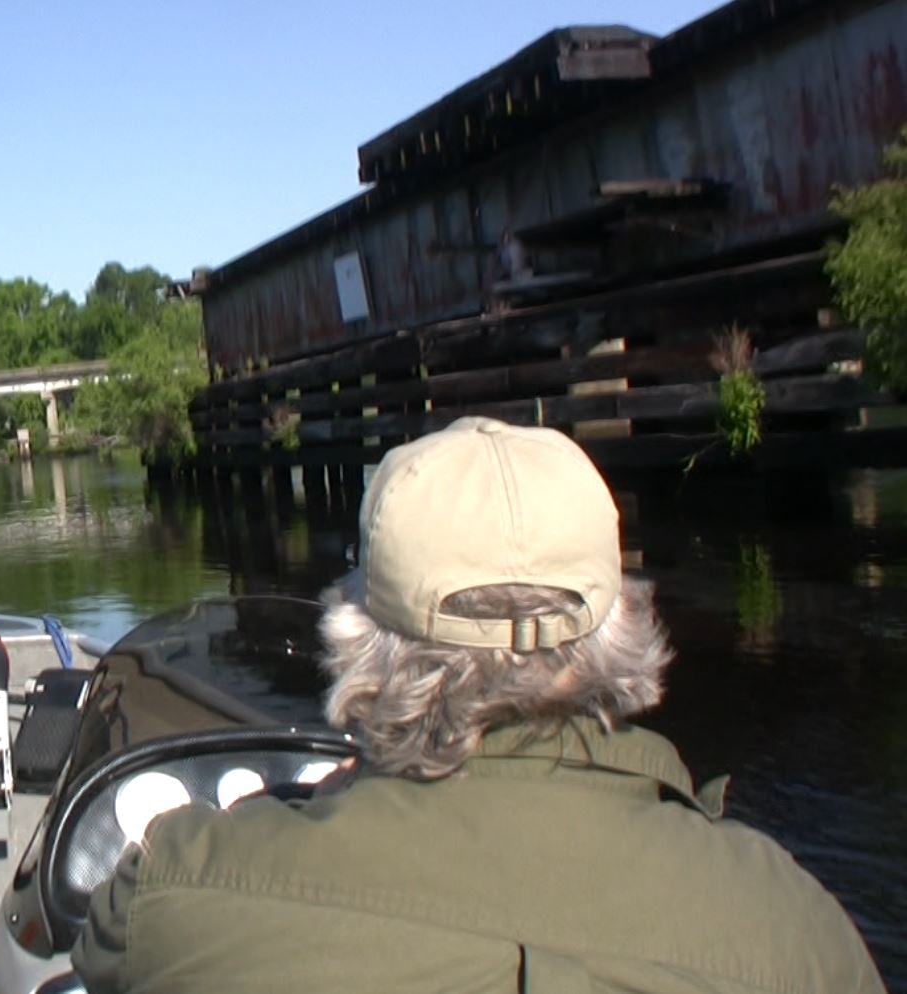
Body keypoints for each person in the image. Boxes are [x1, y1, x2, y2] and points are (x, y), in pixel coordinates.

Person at [72, 417, 885, 993]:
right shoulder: (800, 932)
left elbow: (102, 942)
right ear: (624, 621)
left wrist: (317, 808)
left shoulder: (184, 892)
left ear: (359, 634)